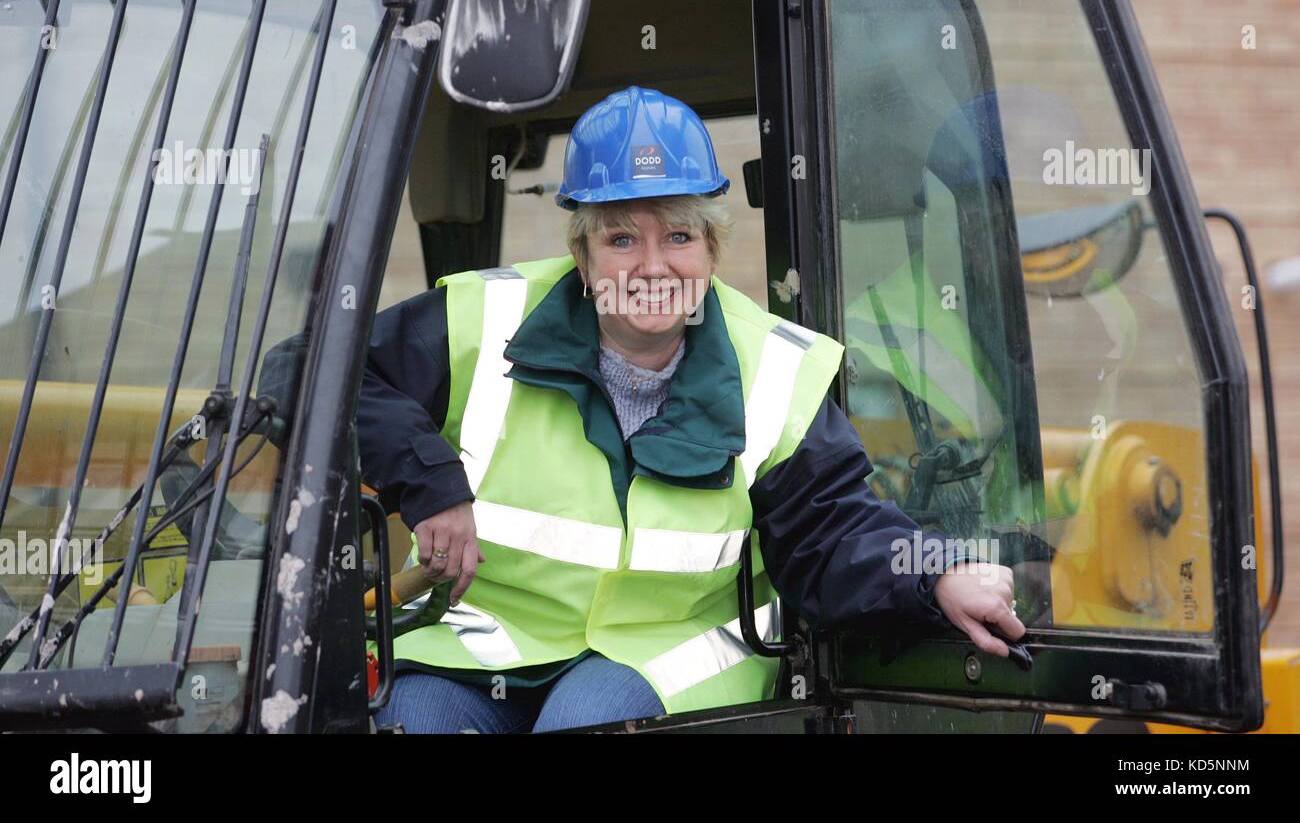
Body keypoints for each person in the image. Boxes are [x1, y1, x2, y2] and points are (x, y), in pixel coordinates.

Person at [357, 86, 1023, 733]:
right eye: (621, 240)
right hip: (493, 640)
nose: (652, 267)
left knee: (585, 722)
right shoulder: (485, 316)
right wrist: (430, 481)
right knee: (413, 718)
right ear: (582, 260)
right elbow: (322, 372)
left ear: (710, 249)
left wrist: (933, 572)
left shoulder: (774, 367)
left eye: (677, 236)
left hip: (668, 649)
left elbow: (831, 533)